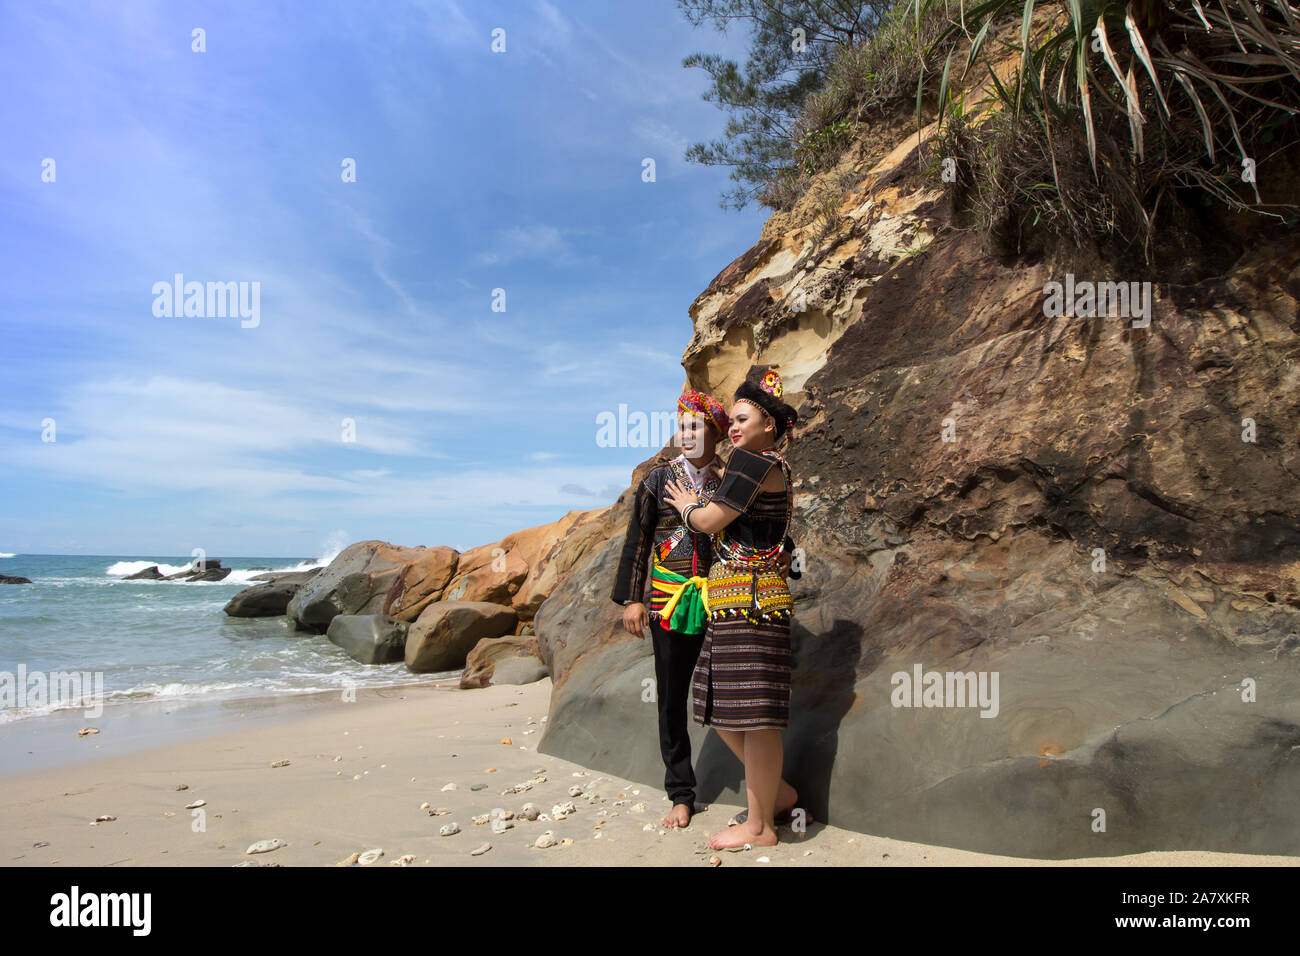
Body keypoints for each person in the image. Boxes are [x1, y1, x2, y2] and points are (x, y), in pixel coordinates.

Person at [663, 369, 799, 850]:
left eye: (743, 418)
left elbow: (710, 519)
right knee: (719, 706)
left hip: (751, 604)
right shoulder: (764, 467)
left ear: (768, 424)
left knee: (755, 720)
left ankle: (760, 828)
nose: (734, 428)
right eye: (733, 420)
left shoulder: (753, 463)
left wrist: (686, 506)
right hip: (738, 603)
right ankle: (777, 795)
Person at [611, 386, 729, 829]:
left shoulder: (728, 482)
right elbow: (637, 542)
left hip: (721, 597)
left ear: (716, 434)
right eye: (682, 425)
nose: (687, 433)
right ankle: (681, 793)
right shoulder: (657, 482)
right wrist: (632, 599)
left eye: (696, 426)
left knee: (727, 688)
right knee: (670, 697)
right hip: (668, 603)